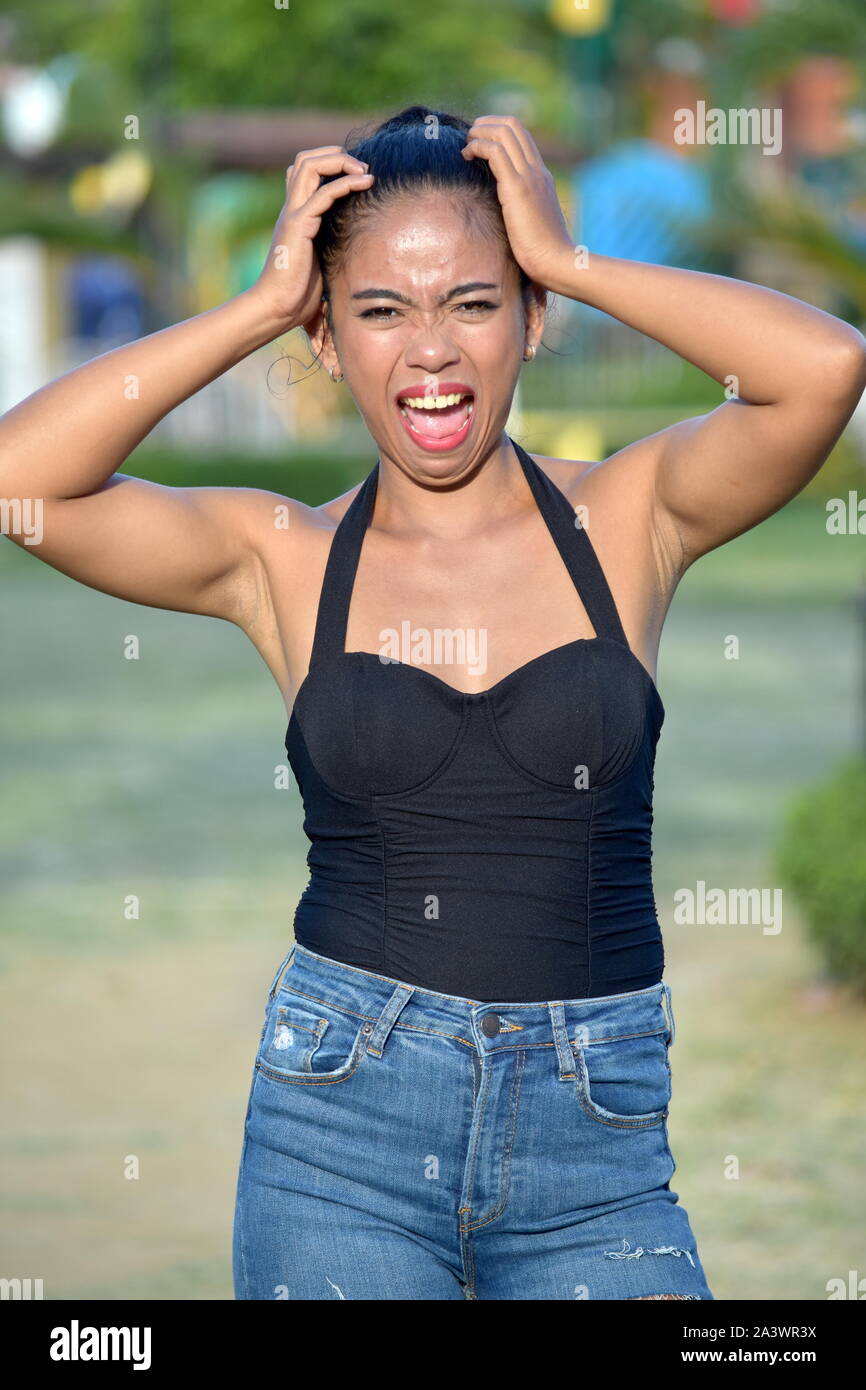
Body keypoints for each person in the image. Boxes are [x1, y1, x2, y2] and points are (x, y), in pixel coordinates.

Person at [2, 106, 864, 1302]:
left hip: (596, 1154)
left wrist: (569, 256)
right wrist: (257, 308)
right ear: (328, 335)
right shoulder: (283, 557)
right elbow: (20, 478)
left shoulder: (629, 517)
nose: (430, 352)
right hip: (337, 1142)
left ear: (529, 319)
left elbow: (820, 369)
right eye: (378, 310)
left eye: (472, 300)